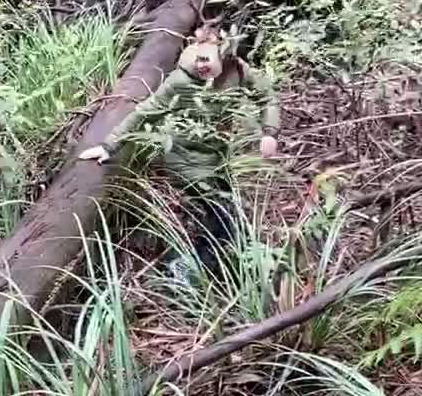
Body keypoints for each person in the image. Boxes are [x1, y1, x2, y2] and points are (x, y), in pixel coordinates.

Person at [79, 27, 279, 274]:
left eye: (208, 58)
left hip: (216, 158)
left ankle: (196, 265)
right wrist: (109, 145)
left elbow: (266, 96)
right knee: (225, 221)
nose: (201, 64)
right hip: (185, 161)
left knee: (228, 217)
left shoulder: (236, 70)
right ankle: (185, 272)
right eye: (198, 57)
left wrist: (269, 132)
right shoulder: (181, 80)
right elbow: (146, 110)